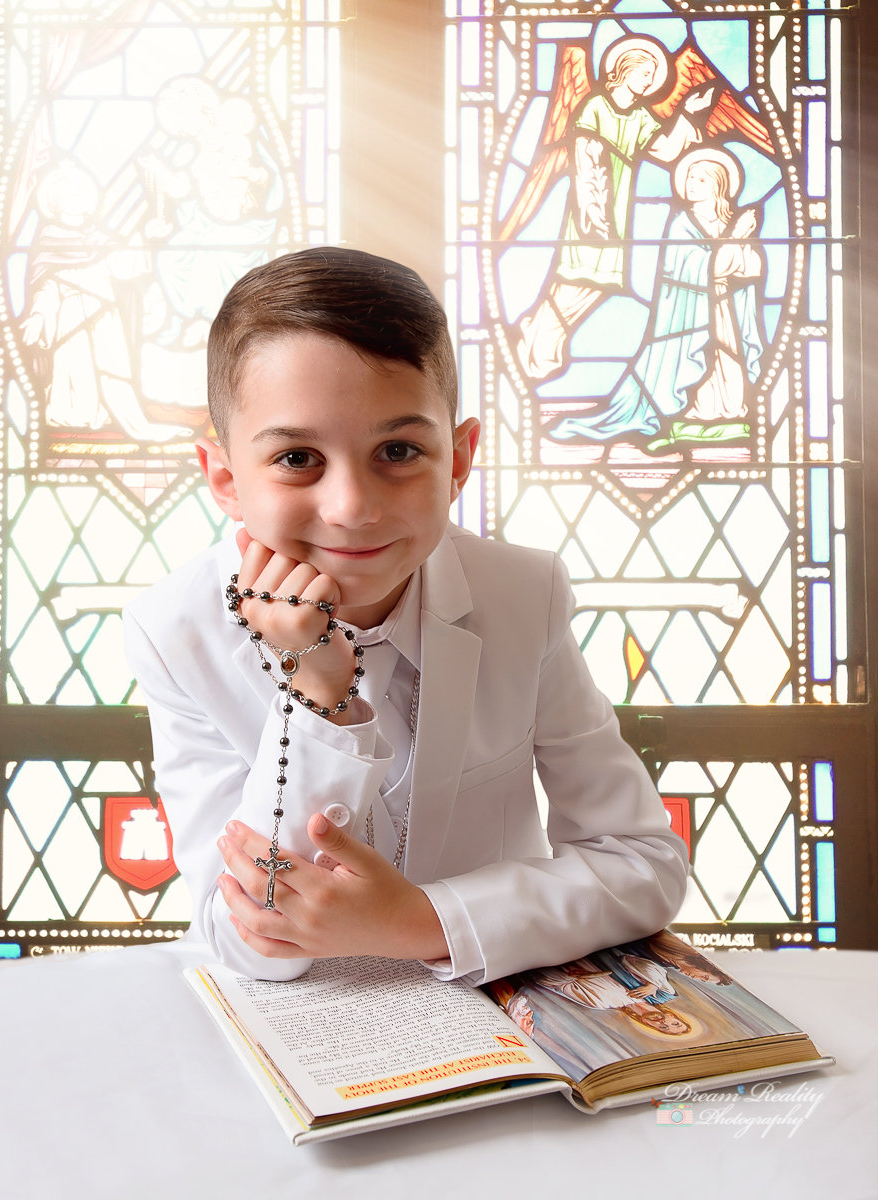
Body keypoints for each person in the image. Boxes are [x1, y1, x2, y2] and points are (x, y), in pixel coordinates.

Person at [122, 246, 688, 984]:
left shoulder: (525, 593)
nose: (352, 507)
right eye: (297, 458)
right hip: (304, 1024)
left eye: (397, 449)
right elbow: (249, 937)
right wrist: (318, 693)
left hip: (494, 1006)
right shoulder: (176, 632)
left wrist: (421, 922)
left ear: (457, 460)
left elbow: (643, 863)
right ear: (225, 480)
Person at [516, 38, 713, 379]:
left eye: (653, 75)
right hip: (590, 205)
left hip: (618, 210)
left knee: (600, 282)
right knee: (578, 275)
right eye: (645, 72)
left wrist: (688, 114)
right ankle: (540, 335)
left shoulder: (640, 116)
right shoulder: (595, 107)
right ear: (624, 70)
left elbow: (665, 151)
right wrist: (593, 210)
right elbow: (586, 156)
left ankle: (545, 334)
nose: (650, 81)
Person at [552, 146, 763, 448]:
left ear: (719, 186)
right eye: (690, 176)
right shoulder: (682, 225)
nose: (691, 183)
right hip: (690, 315)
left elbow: (749, 267)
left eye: (701, 180)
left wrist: (738, 241)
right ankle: (694, 413)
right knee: (703, 364)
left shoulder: (728, 223)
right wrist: (736, 238)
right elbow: (704, 267)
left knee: (727, 368)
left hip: (724, 311)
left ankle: (724, 415)